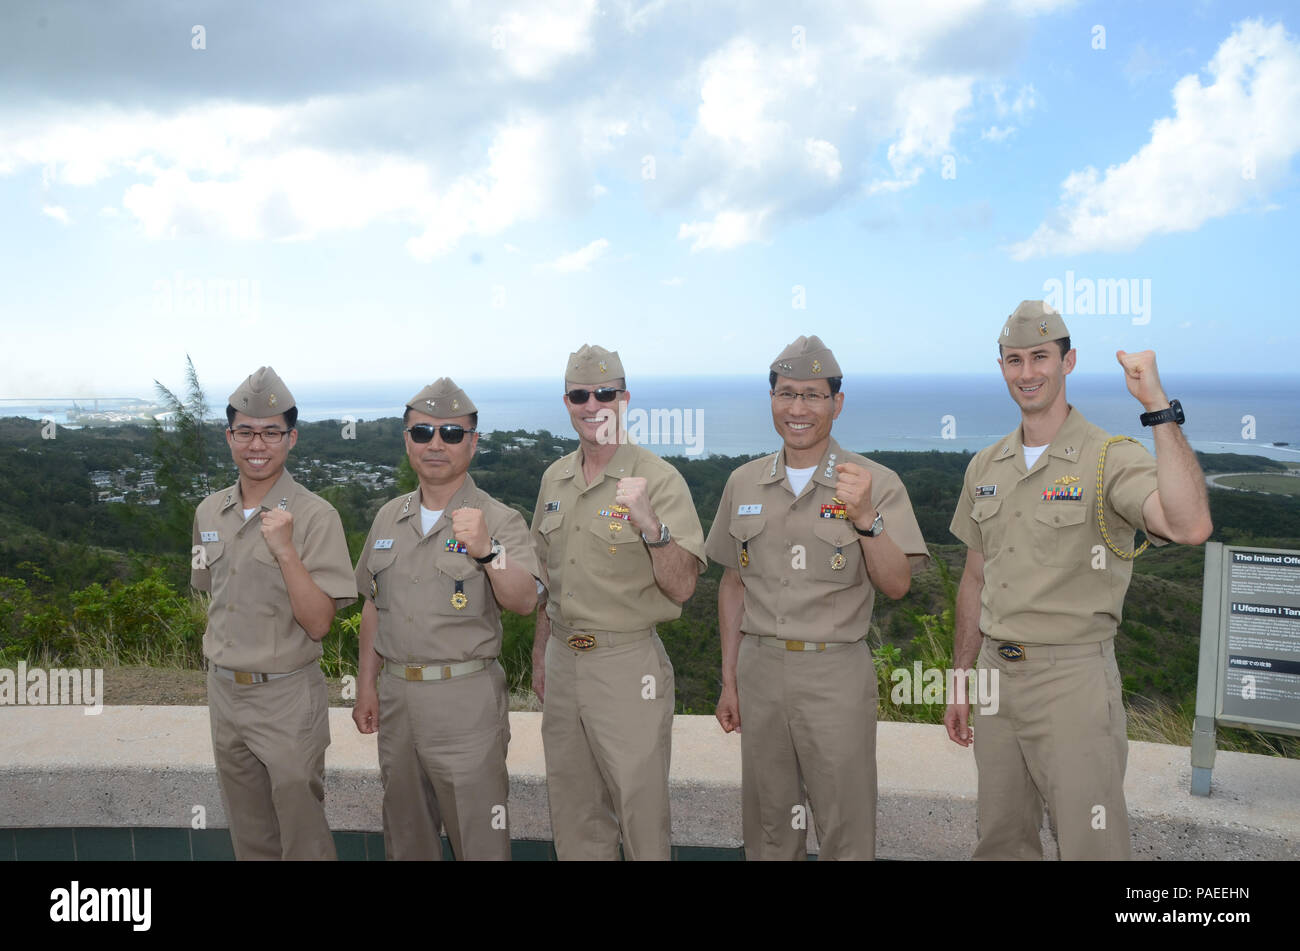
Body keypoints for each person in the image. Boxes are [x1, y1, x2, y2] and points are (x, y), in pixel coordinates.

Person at [944, 300, 1213, 860]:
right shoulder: (986, 466)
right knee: (1000, 841)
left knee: (1091, 846)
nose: (1027, 373)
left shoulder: (1108, 457)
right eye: (1014, 360)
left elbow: (1189, 525)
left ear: (1068, 363)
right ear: (1001, 368)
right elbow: (975, 579)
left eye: (1040, 357)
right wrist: (960, 678)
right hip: (995, 675)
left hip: (1072, 680)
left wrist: (1157, 407)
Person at [704, 335, 930, 860]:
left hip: (835, 674)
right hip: (759, 671)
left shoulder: (875, 483)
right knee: (769, 829)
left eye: (812, 395)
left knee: (845, 829)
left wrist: (866, 520)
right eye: (786, 394)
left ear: (837, 403)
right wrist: (729, 679)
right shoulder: (744, 482)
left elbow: (898, 585)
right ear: (772, 399)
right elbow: (733, 583)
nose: (798, 408)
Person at [529, 344, 706, 860]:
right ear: (566, 402)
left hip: (628, 666)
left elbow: (683, 587)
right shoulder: (554, 479)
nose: (593, 405)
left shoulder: (659, 479)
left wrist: (651, 526)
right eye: (579, 395)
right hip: (564, 664)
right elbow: (547, 581)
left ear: (624, 399)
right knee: (575, 818)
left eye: (605, 394)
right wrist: (542, 654)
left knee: (641, 821)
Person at [352, 379, 540, 861]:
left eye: (452, 433)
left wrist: (488, 551)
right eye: (423, 433)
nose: (436, 444)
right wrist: (367, 685)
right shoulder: (389, 517)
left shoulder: (498, 519)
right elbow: (374, 604)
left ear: (473, 443)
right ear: (407, 440)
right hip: (396, 700)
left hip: (466, 702)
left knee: (478, 838)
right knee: (406, 838)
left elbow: (524, 600)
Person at [191, 366, 357, 860]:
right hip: (224, 691)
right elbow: (210, 591)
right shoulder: (207, 512)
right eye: (245, 432)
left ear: (291, 438)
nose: (256, 444)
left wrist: (285, 551)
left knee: (301, 837)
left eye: (270, 432)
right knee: (250, 835)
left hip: (285, 696)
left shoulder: (315, 516)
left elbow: (320, 622)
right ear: (229, 437)